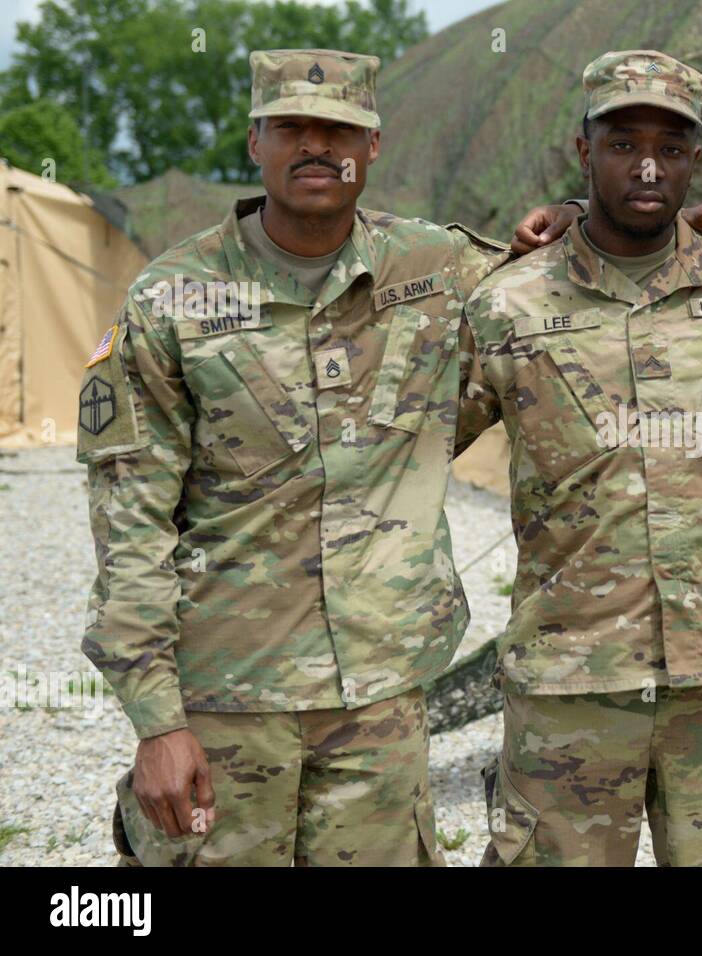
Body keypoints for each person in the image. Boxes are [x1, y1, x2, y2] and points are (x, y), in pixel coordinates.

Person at [76, 48, 517, 865]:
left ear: (373, 145)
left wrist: (681, 226)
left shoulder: (435, 268)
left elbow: (588, 274)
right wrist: (158, 722)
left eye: (338, 128)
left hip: (382, 702)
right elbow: (130, 526)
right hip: (228, 707)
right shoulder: (173, 301)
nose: (316, 145)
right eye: (291, 127)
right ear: (255, 142)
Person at [458, 50, 702, 866]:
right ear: (583, 150)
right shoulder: (508, 305)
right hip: (571, 681)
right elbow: (407, 463)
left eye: (671, 148)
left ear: (695, 161)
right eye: (623, 141)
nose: (647, 165)